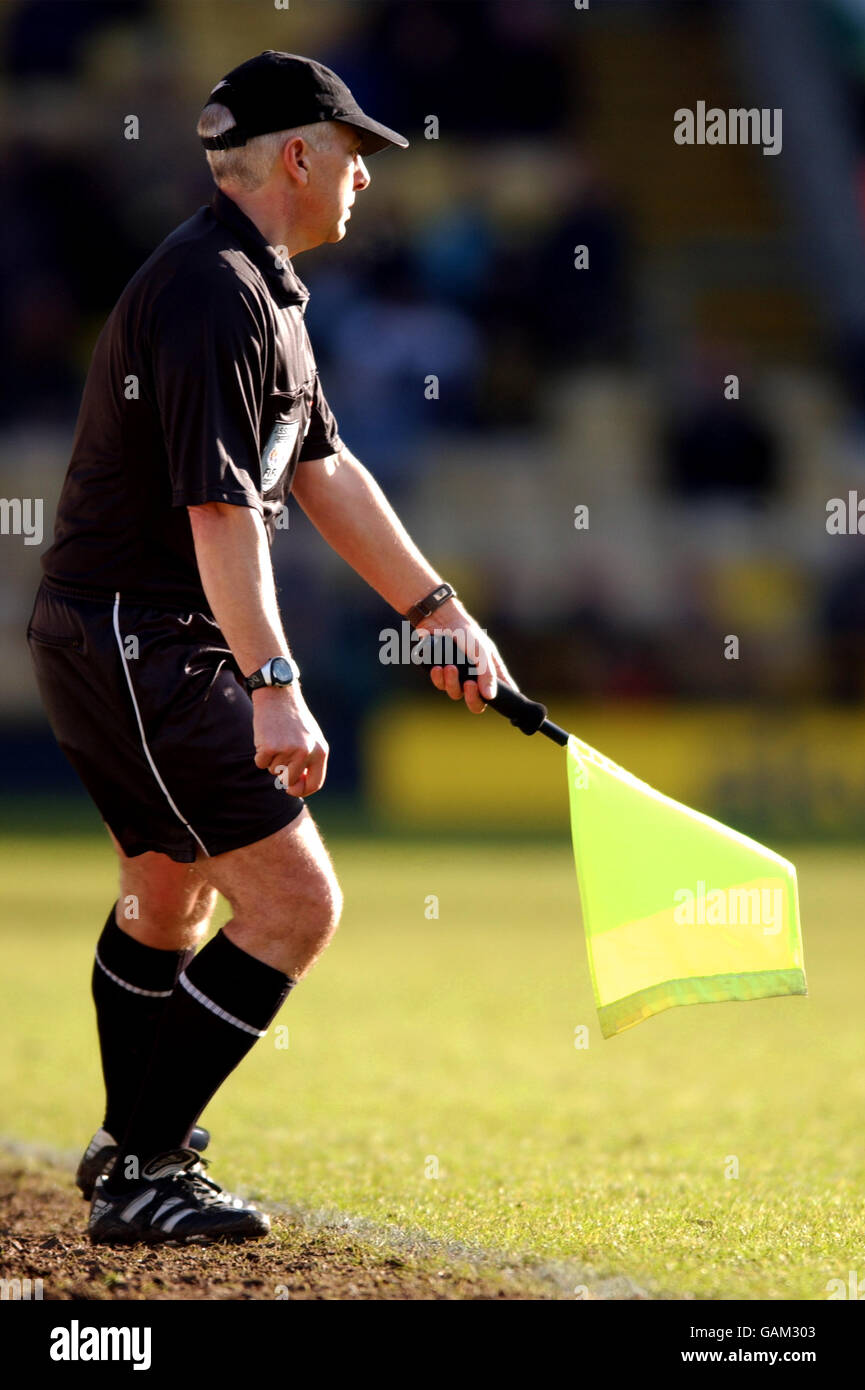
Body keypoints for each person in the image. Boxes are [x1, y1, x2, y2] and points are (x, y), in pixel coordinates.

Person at [27, 50, 513, 1245]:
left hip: (115, 636)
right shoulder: (212, 290)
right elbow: (221, 511)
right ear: (298, 154)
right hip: (144, 638)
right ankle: (143, 1161)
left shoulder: (262, 287)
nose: (362, 179)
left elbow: (321, 468)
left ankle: (127, 1147)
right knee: (294, 902)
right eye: (352, 154)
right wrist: (274, 684)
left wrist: (435, 613)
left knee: (165, 890)